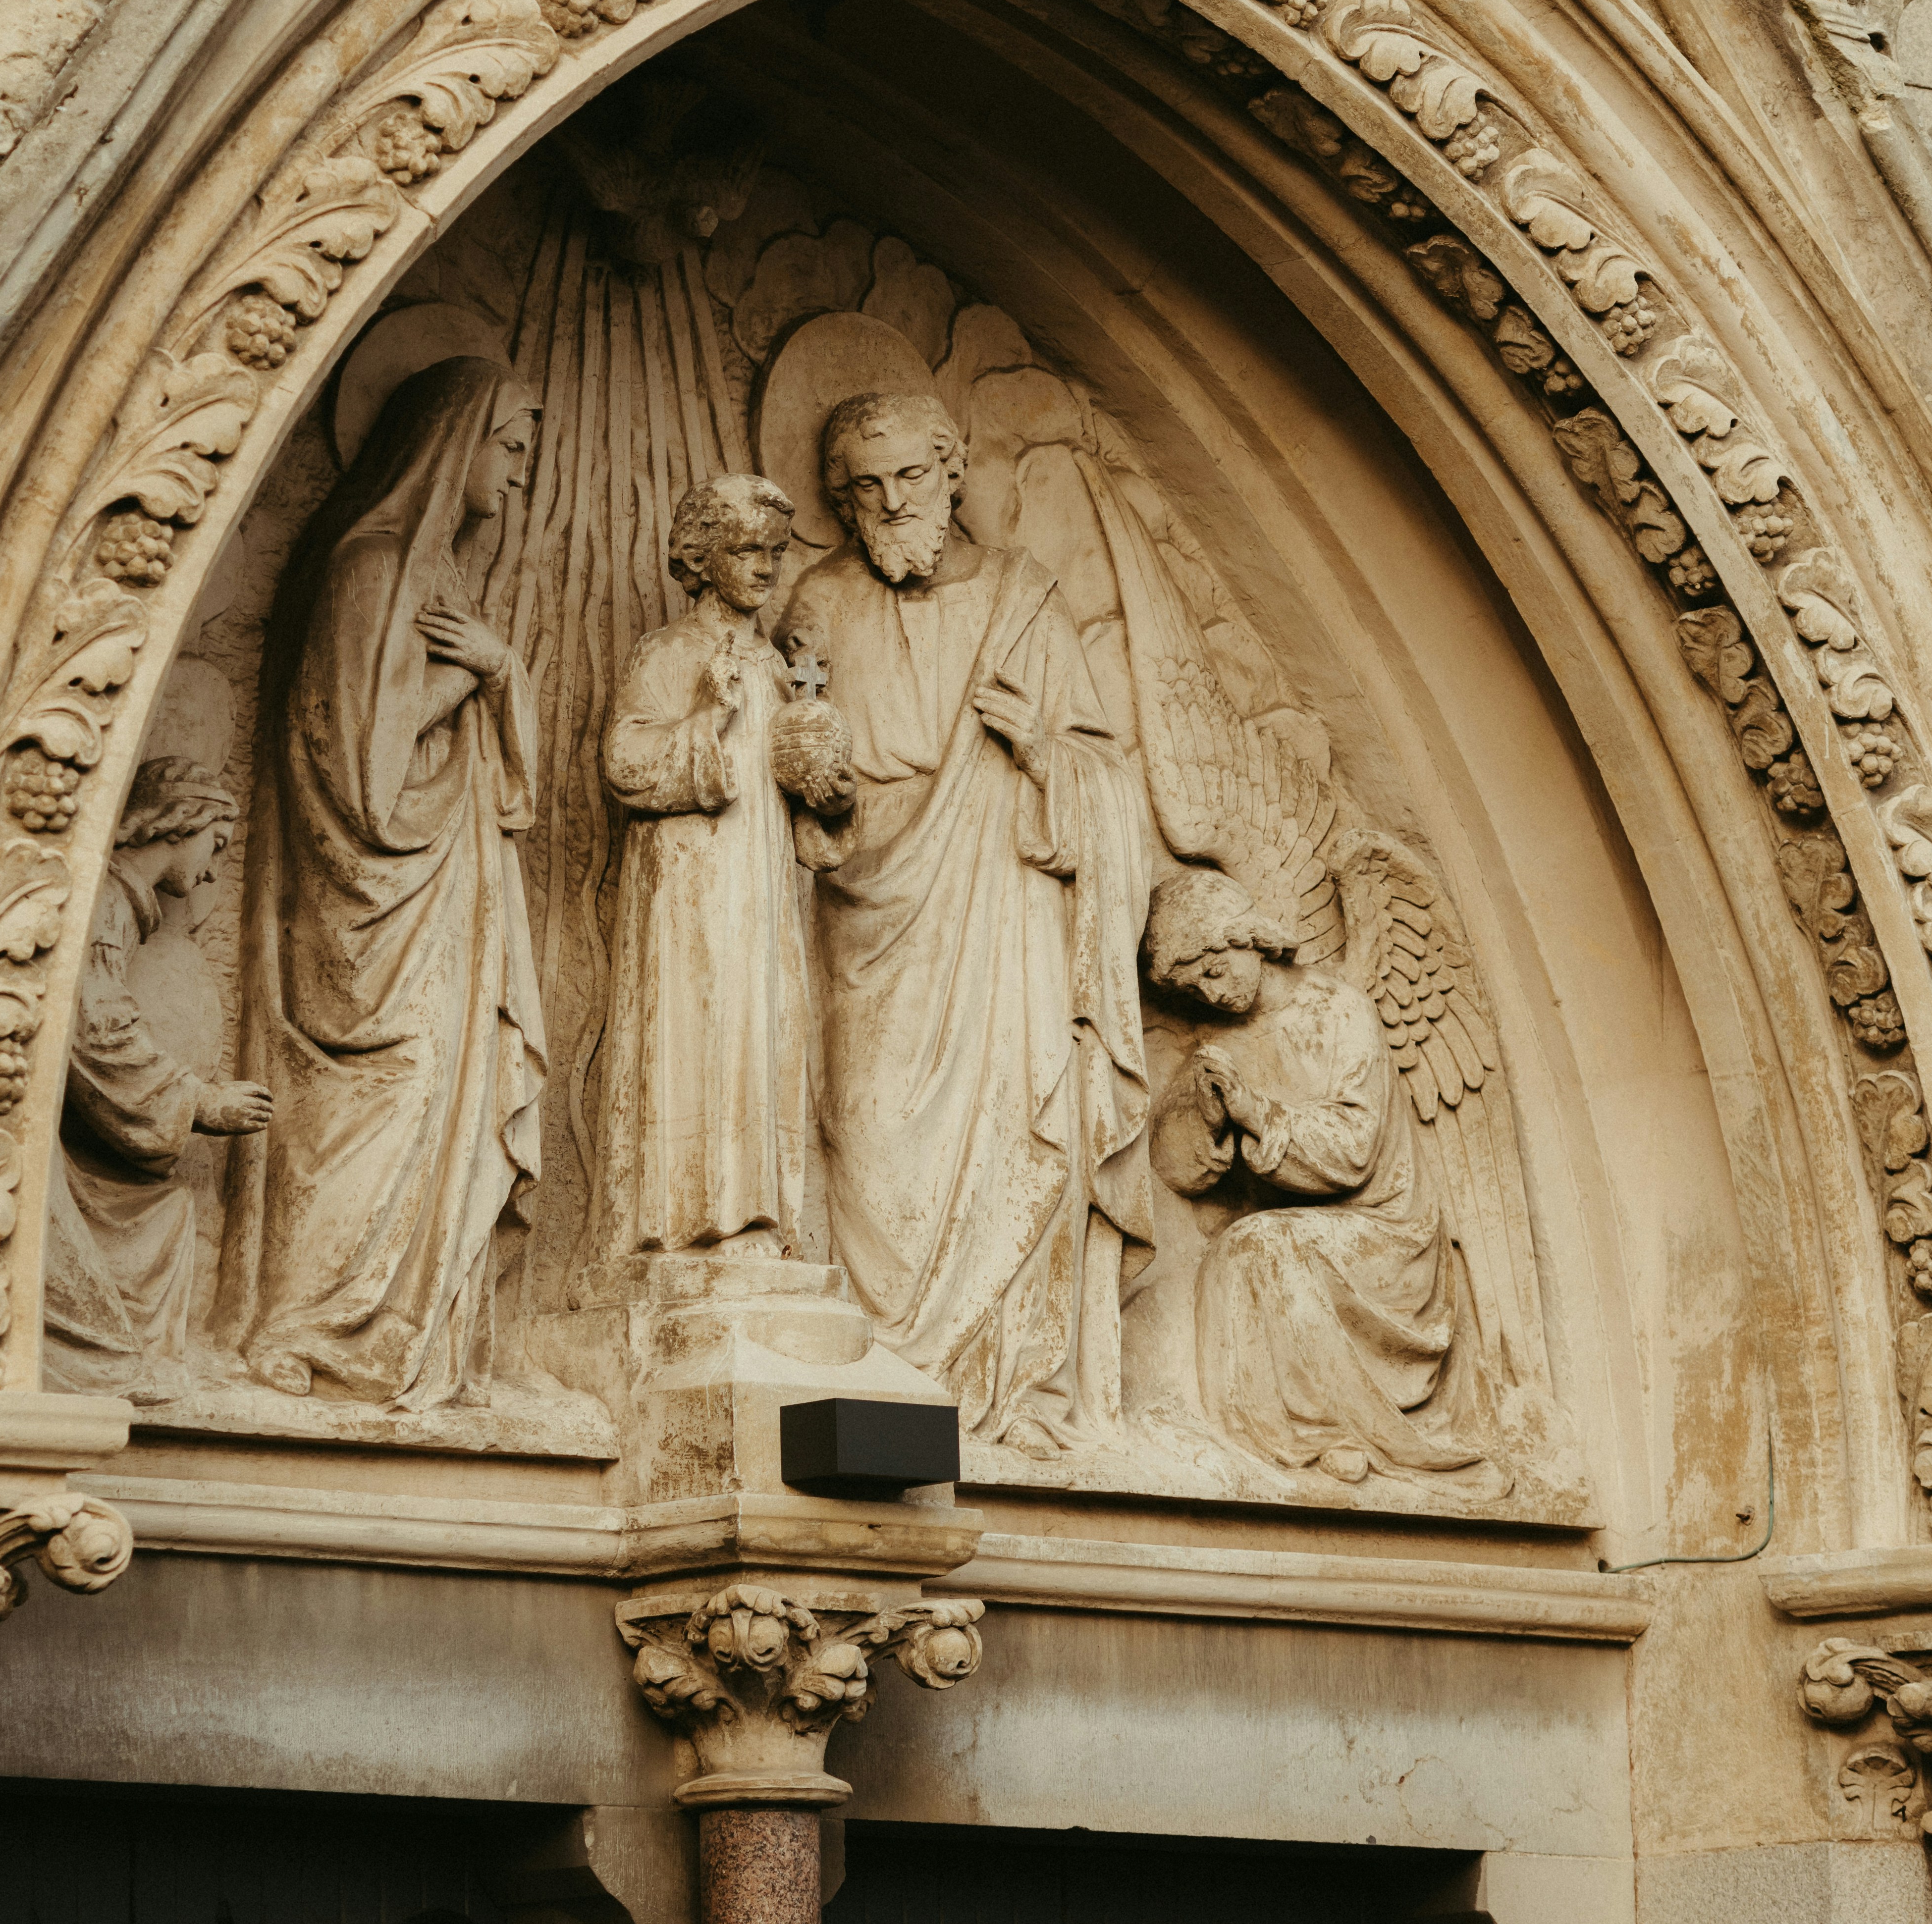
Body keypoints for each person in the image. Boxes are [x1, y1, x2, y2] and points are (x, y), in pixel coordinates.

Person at [780, 389, 1151, 1451]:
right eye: (861, 487)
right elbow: (785, 755)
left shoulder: (1022, 601)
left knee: (1017, 1128)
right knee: (861, 1128)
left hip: (1003, 908)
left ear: (952, 469)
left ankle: (1015, 1383)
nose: (886, 503)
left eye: (906, 476)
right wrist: (815, 788)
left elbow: (1104, 789)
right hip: (859, 907)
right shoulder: (816, 602)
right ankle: (871, 1370)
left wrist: (1042, 748)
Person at [220, 360, 543, 1409]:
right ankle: (307, 1322)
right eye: (510, 441)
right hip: (371, 910)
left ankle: (408, 1330)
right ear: (454, 443)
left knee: (439, 1096)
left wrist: (498, 673)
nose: (522, 465)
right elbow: (365, 772)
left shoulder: (442, 584)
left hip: (449, 894)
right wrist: (478, 673)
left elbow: (502, 788)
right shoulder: (367, 571)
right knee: (386, 1091)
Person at [1144, 865, 1499, 1491]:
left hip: (1386, 1234)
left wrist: (1256, 1113)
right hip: (1301, 1233)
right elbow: (1178, 1170)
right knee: (1245, 1250)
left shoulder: (1337, 1011)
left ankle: (1337, 1430)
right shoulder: (1217, 1042)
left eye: (1215, 967)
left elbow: (1353, 1152)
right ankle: (1290, 1439)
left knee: (1260, 1248)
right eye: (1195, 982)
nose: (1210, 990)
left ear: (1248, 940)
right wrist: (1202, 1118)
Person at [591, 472, 853, 1264]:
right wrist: (709, 718)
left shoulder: (780, 669)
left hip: (766, 893)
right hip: (691, 890)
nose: (766, 567)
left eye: (776, 551)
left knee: (764, 1033)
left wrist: (829, 797)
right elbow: (626, 763)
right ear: (700, 559)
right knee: (699, 1030)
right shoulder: (669, 652)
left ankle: (762, 1220)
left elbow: (806, 815)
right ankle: (688, 1224)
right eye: (746, 550)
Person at [43, 760, 270, 1399]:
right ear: (178, 822)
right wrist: (199, 1100)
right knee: (151, 1222)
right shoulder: (105, 899)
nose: (209, 872)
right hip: (40, 1156)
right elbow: (95, 1028)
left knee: (167, 1211)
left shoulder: (117, 903)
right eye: (214, 846)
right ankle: (106, 1361)